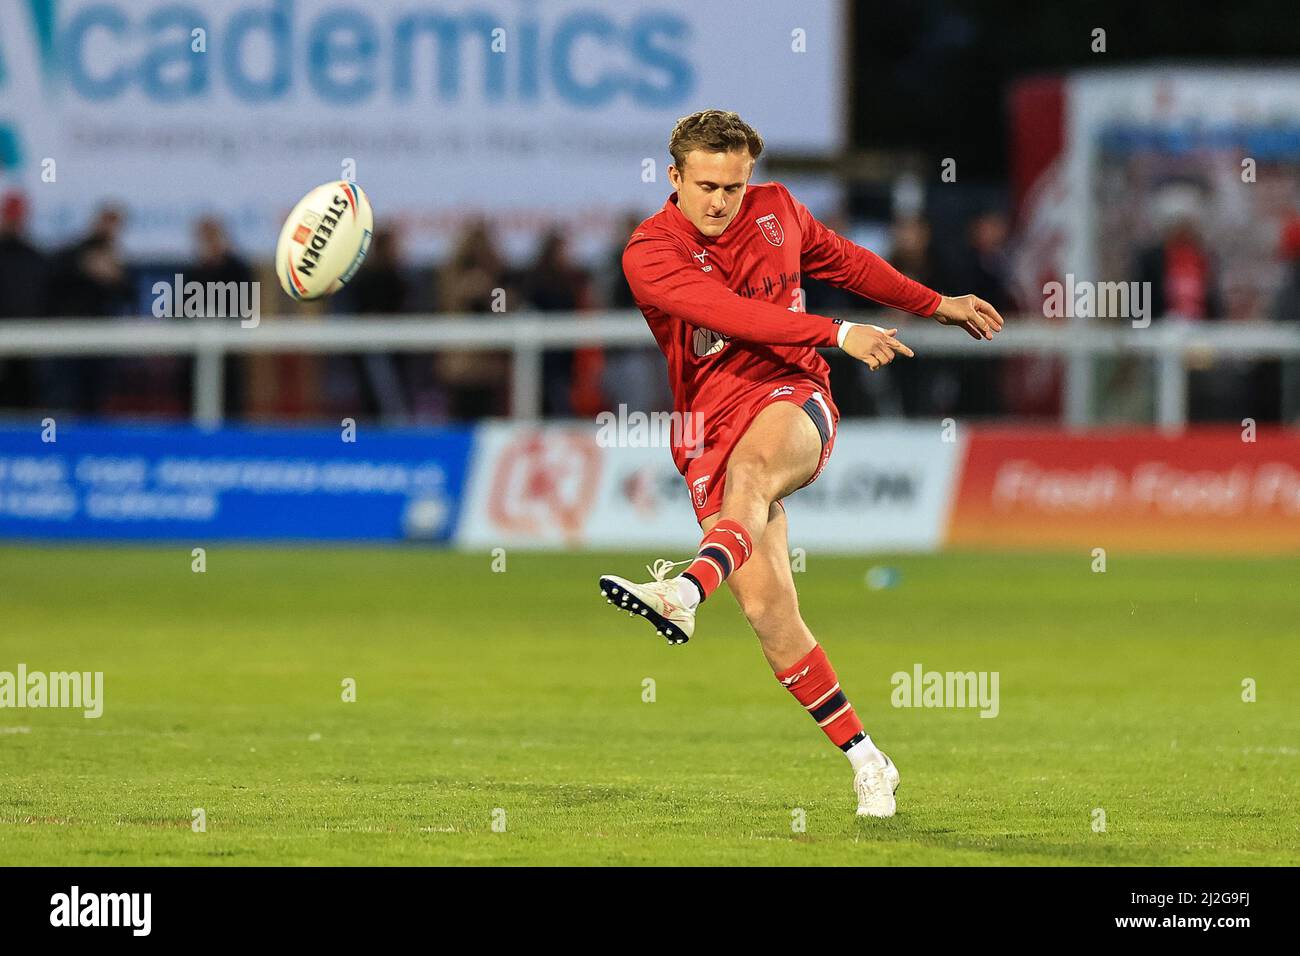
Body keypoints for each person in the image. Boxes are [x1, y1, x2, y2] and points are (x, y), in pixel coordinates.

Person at [597, 110, 1004, 818]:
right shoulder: (649, 253)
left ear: (749, 175)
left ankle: (685, 592)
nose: (721, 200)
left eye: (733, 184)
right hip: (705, 428)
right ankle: (869, 759)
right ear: (674, 178)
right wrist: (842, 328)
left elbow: (847, 261)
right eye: (706, 185)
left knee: (752, 477)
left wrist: (934, 303)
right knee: (768, 613)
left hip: (793, 393)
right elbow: (735, 317)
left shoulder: (776, 210)